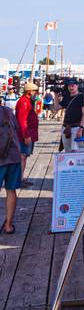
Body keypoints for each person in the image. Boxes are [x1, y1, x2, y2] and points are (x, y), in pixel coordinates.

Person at [0, 100, 23, 233]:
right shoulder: (8, 111)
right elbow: (17, 128)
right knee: (11, 190)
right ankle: (8, 225)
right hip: (13, 155)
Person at [15, 81, 39, 183]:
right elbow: (21, 120)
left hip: (29, 133)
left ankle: (20, 178)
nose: (36, 94)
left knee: (24, 157)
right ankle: (18, 179)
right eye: (35, 91)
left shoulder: (28, 101)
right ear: (30, 91)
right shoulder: (23, 102)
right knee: (22, 157)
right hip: (24, 134)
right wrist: (26, 136)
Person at [61, 80, 84, 151]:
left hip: (76, 128)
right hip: (66, 128)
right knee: (67, 150)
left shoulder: (82, 97)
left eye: (72, 85)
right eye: (69, 86)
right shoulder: (66, 97)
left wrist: (81, 128)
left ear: (77, 86)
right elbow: (56, 108)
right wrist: (56, 95)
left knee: (75, 150)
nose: (71, 87)